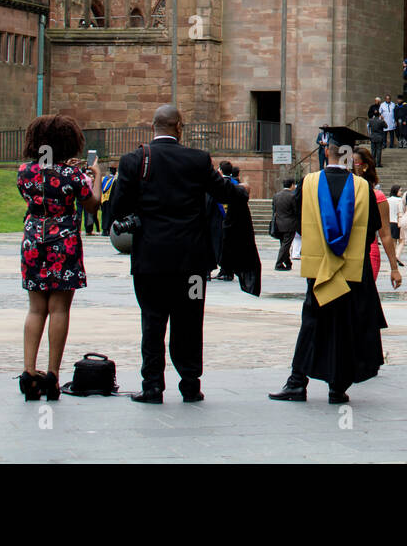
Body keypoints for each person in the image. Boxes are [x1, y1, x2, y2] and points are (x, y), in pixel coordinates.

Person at [110, 105, 250, 404]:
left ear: (153, 127)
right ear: (180, 127)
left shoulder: (134, 160)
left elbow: (119, 207)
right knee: (190, 320)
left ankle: (152, 386)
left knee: (152, 321)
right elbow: (225, 193)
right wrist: (243, 191)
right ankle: (190, 383)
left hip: (150, 260)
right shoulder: (197, 159)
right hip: (192, 263)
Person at [270, 128, 401, 405]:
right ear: (349, 155)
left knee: (312, 323)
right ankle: (337, 388)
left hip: (318, 267)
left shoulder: (308, 183)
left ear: (326, 151)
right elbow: (369, 234)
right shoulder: (363, 188)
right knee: (345, 326)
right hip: (352, 269)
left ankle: (297, 382)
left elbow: (298, 222)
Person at [15, 116, 100, 400]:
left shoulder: (24, 171)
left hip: (33, 239)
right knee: (59, 309)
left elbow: (39, 187)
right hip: (63, 238)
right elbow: (92, 204)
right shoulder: (74, 176)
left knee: (35, 308)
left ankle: (28, 372)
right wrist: (94, 177)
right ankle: (52, 374)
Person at [352, 148, 390, 282]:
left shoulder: (376, 196)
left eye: (354, 164)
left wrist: (394, 268)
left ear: (365, 167)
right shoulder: (343, 193)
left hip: (368, 252)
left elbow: (385, 234)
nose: (350, 168)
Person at [271, 179, 299, 271]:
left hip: (279, 223)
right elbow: (296, 210)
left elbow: (274, 209)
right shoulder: (293, 196)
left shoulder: (276, 196)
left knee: (284, 244)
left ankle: (287, 263)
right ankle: (278, 263)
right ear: (292, 185)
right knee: (286, 244)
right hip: (290, 224)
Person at [99, 165, 118, 236]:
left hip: (103, 199)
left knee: (104, 214)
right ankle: (109, 229)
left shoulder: (104, 179)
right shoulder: (114, 180)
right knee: (109, 215)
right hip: (110, 200)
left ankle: (104, 229)